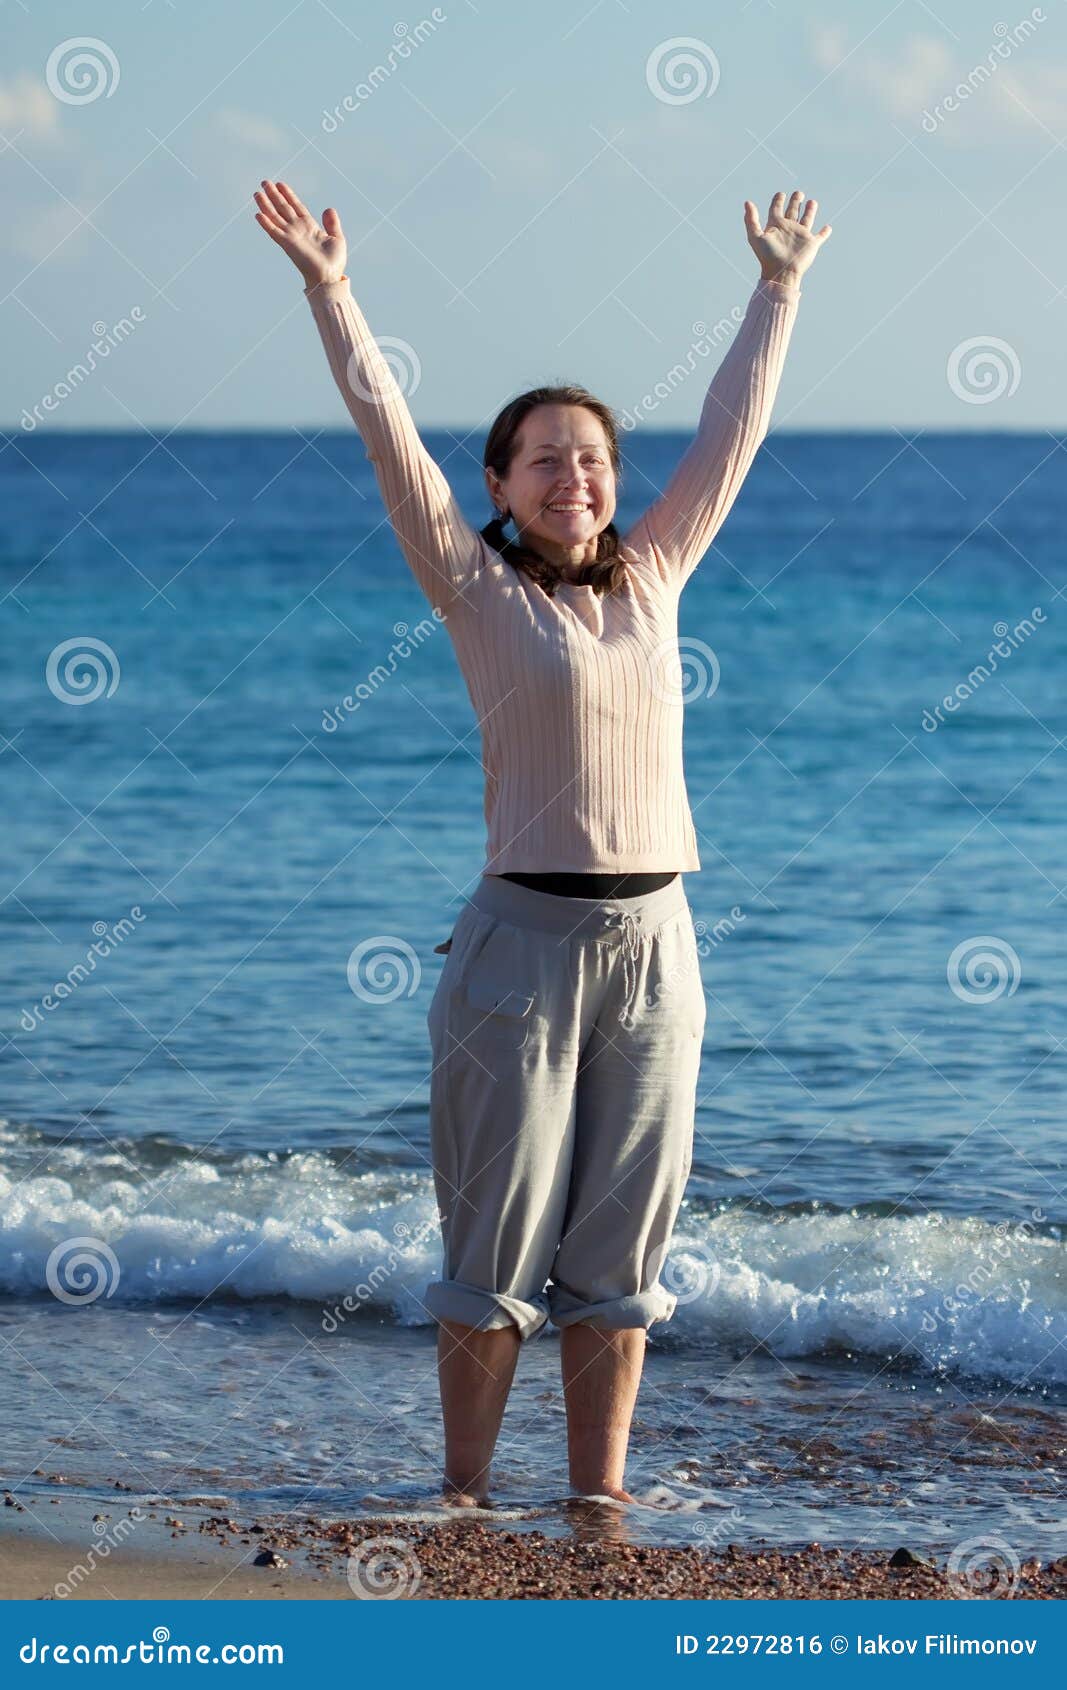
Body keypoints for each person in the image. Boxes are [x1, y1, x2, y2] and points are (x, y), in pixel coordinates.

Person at [254, 177, 831, 1508]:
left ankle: (597, 1501)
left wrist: (778, 286)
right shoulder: (471, 583)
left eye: (596, 458)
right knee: (492, 1250)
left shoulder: (657, 573)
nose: (578, 475)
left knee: (623, 1257)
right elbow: (386, 429)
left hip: (658, 947)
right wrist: (333, 293)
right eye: (547, 458)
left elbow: (735, 433)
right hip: (518, 948)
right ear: (502, 487)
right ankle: (460, 1494)